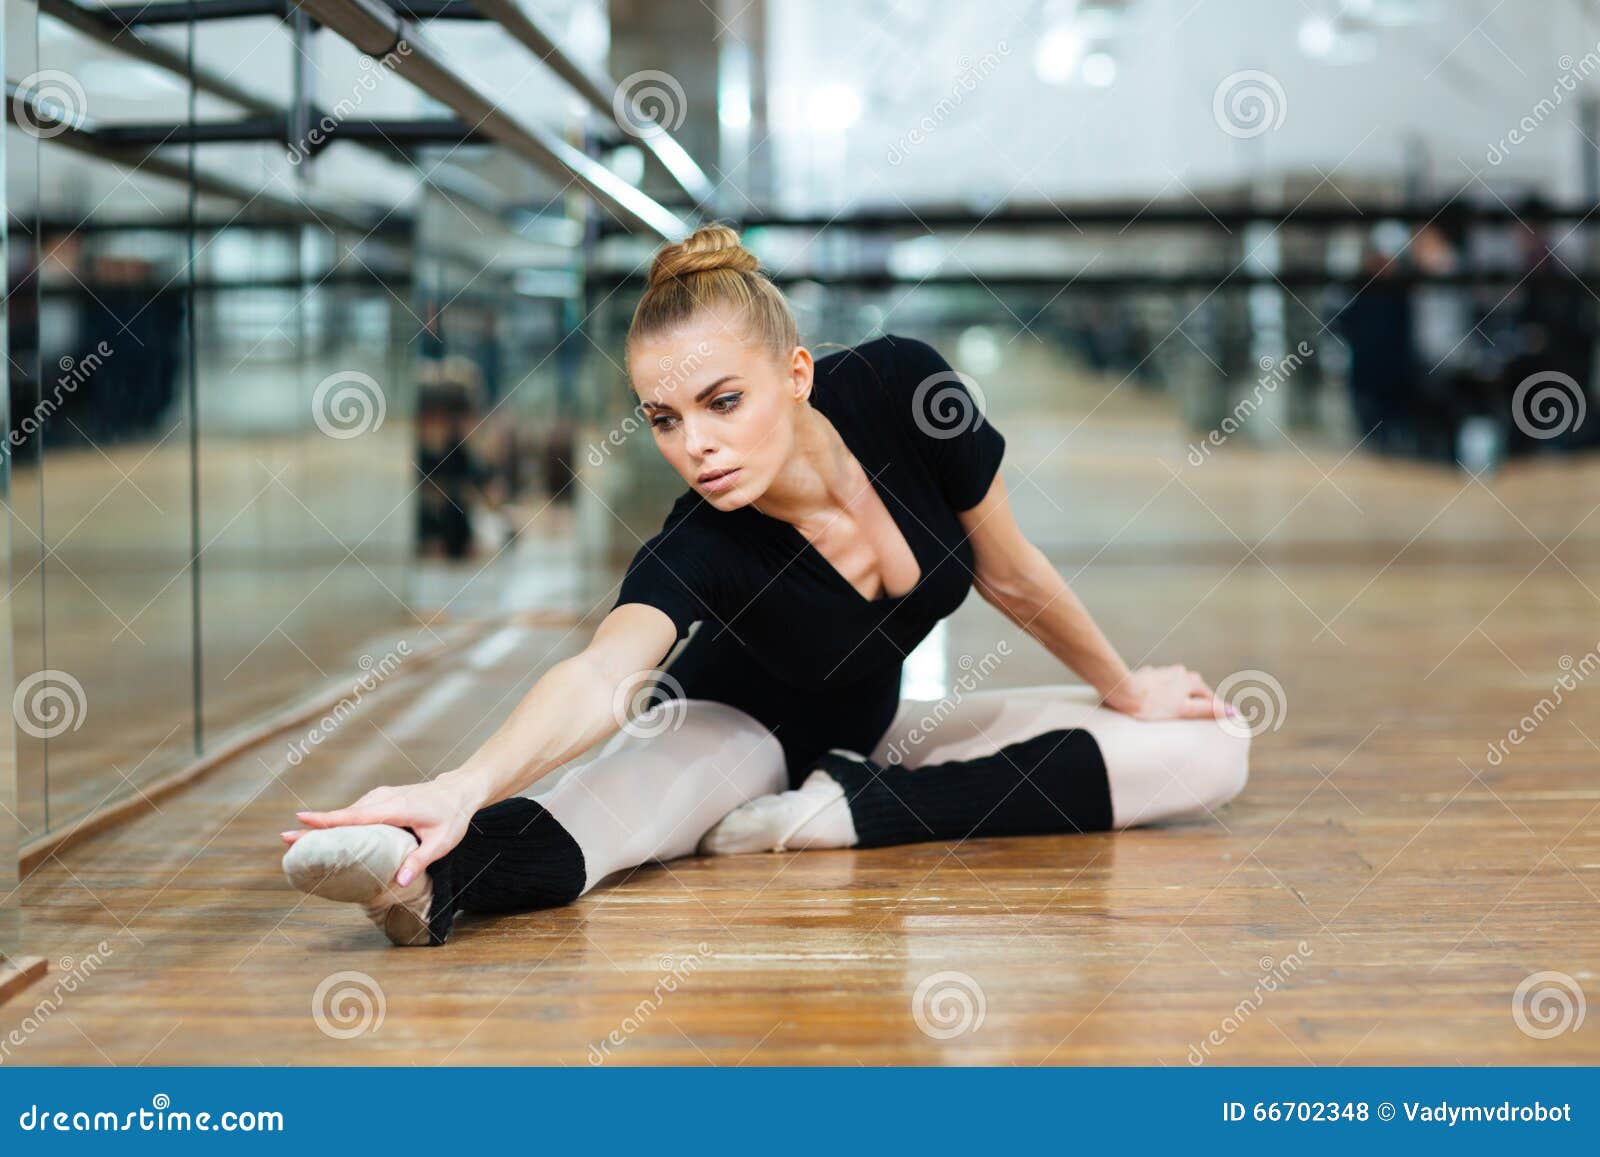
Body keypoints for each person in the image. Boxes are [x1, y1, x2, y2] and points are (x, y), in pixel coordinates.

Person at [281, 225, 1251, 947]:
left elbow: (1012, 572)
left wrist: (1128, 689)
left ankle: (839, 816)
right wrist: (458, 785)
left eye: (722, 401)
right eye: (662, 418)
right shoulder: (701, 540)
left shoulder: (906, 390)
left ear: (795, 372)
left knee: (1209, 746)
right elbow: (601, 674)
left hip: (878, 742)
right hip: (730, 734)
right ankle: (415, 873)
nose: (693, 444)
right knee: (612, 816)